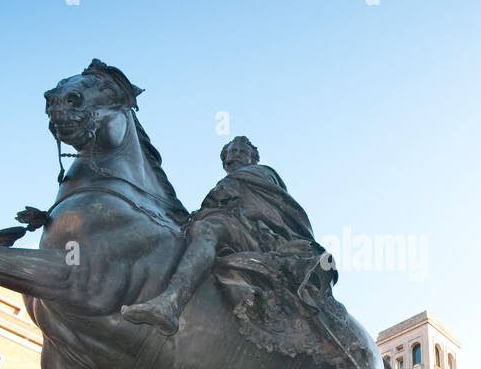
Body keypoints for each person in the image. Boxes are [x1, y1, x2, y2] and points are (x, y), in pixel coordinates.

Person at [121, 136, 327, 335]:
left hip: (256, 236)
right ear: (225, 160)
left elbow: (267, 212)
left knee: (206, 230)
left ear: (253, 159)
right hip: (229, 227)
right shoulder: (228, 182)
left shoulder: (261, 174)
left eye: (243, 151)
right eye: (232, 151)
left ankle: (169, 303)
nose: (236, 155)